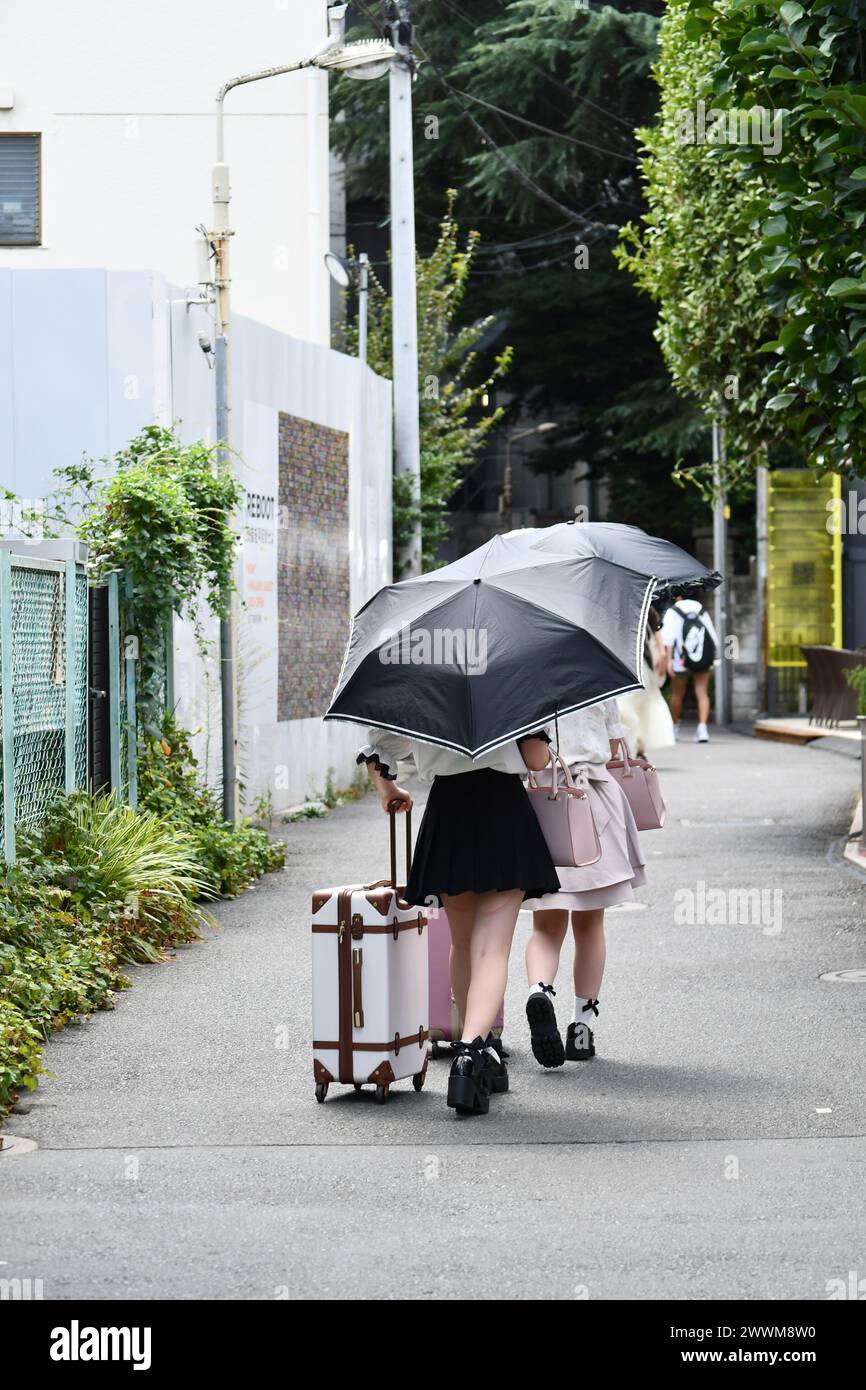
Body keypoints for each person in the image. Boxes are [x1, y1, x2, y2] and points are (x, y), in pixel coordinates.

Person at [359, 729, 558, 1117]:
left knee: (462, 943)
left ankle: (479, 1046)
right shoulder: (509, 676)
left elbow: (381, 746)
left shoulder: (423, 682)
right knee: (491, 948)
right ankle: (470, 1053)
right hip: (503, 808)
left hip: (448, 810)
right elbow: (536, 759)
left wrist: (387, 790)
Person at [522, 699, 646, 1068]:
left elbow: (530, 756)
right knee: (591, 924)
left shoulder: (526, 681)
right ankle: (583, 1028)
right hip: (592, 801)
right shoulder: (596, 678)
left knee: (545, 925)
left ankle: (539, 990)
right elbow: (611, 747)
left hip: (544, 803)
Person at [660, 593, 719, 743]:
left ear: (678, 595)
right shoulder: (700, 608)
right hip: (701, 657)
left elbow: (668, 638)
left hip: (680, 660)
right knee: (702, 692)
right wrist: (713, 656)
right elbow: (712, 634)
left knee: (678, 694)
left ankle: (674, 727)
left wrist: (668, 662)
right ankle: (702, 729)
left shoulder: (674, 611)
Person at [617, 607, 675, 757]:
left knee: (629, 705)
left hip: (639, 665)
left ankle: (634, 746)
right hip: (625, 663)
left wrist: (662, 655)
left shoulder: (642, 600)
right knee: (631, 706)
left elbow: (655, 627)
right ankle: (636, 746)